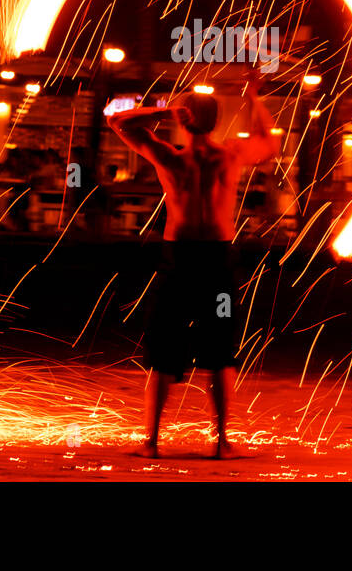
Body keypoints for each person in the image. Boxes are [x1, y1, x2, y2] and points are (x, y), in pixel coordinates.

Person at [106, 77, 277, 458]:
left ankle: (151, 442)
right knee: (220, 349)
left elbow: (116, 120)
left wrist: (165, 109)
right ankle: (220, 443)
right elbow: (270, 142)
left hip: (179, 261)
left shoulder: (168, 156)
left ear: (184, 121)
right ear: (216, 122)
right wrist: (253, 97)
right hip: (218, 262)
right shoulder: (229, 155)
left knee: (165, 348)